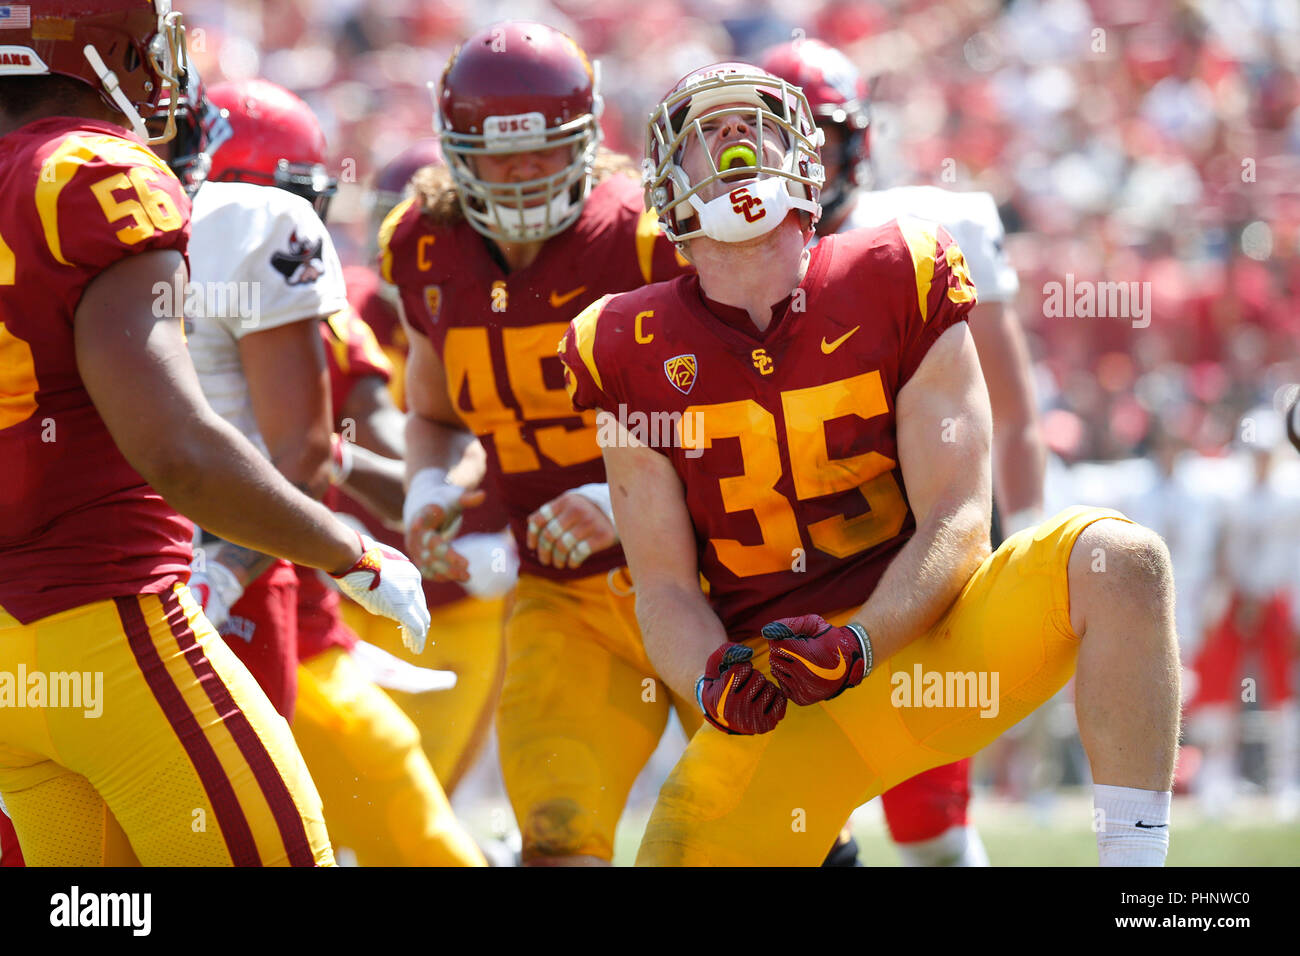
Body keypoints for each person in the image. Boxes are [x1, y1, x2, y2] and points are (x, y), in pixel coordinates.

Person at [561, 61, 1181, 866]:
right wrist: (711, 681)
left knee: (1122, 561)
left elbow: (959, 520)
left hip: (940, 636)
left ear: (810, 159)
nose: (736, 137)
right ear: (668, 188)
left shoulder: (899, 272)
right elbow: (666, 590)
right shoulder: (621, 341)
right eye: (707, 131)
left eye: (759, 123)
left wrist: (859, 642)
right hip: (790, 697)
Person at [0, 0, 427, 866]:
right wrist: (351, 553)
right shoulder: (88, 172)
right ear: (98, 42)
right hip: (116, 627)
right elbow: (179, 452)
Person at [383, 21, 696, 865]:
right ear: (456, 150)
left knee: (759, 838)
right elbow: (438, 417)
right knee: (557, 837)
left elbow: (747, 406)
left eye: (540, 151)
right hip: (566, 598)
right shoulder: (423, 247)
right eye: (495, 155)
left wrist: (621, 499)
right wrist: (430, 490)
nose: (520, 174)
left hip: (714, 580)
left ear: (587, 139)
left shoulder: (647, 238)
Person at [760, 35, 1051, 866]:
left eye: (818, 134)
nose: (804, 160)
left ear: (858, 140)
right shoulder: (715, 258)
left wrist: (1025, 537)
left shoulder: (928, 227)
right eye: (782, 137)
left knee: (928, 827)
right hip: (786, 562)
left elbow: (1013, 406)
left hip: (922, 546)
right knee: (789, 819)